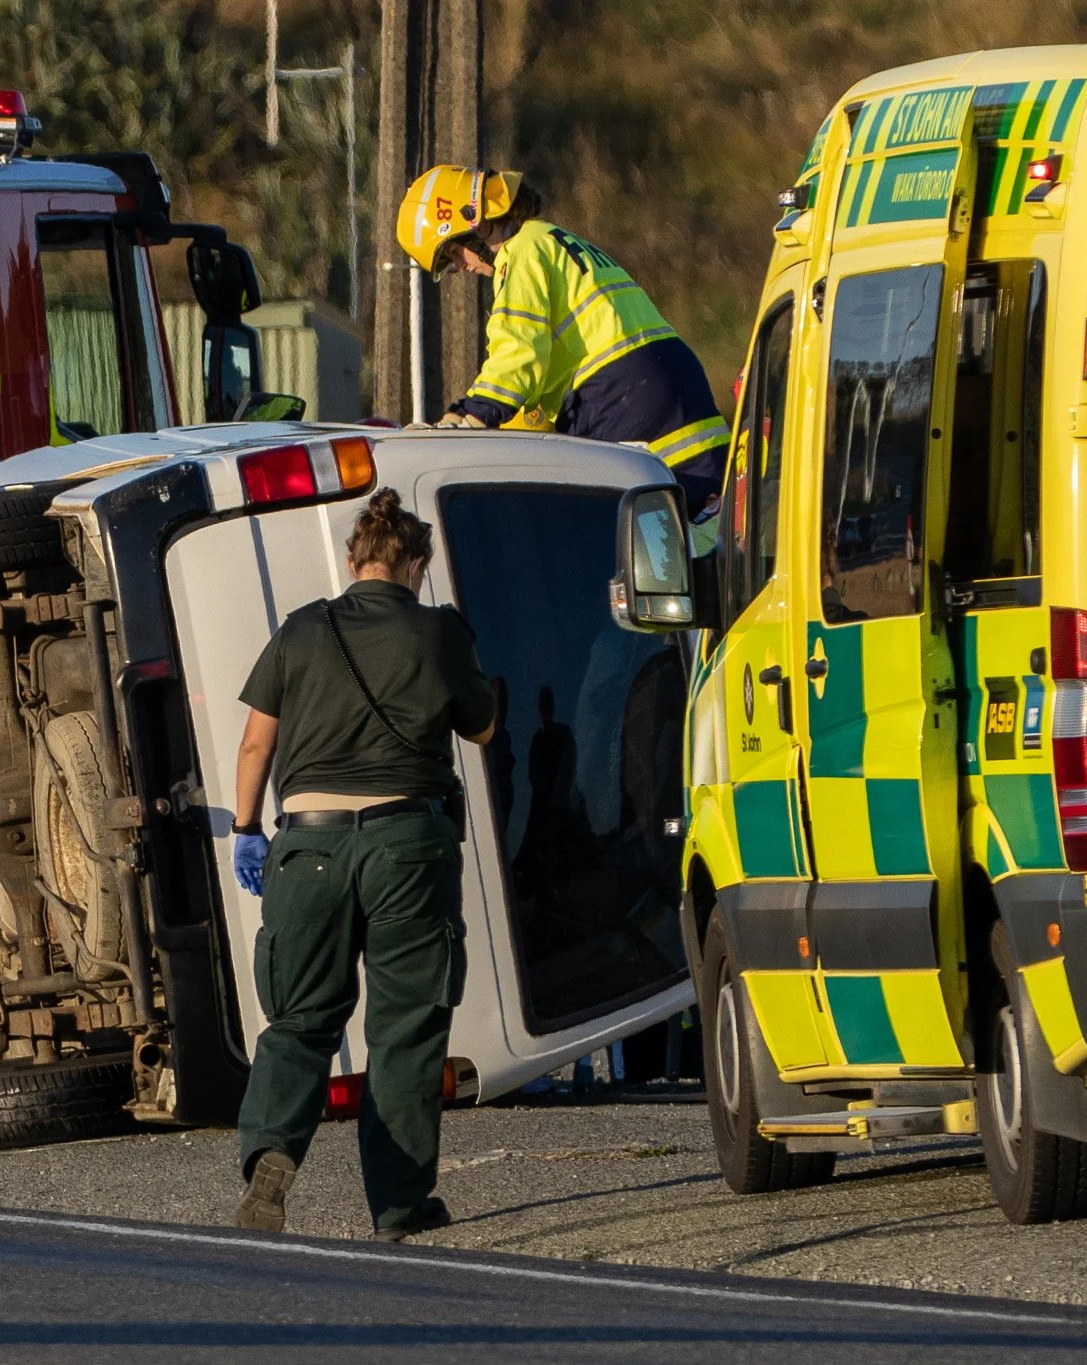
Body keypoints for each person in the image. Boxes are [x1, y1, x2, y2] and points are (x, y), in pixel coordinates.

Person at [228, 487, 497, 1242]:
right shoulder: (439, 631)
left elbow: (256, 744)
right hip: (407, 841)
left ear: (353, 561)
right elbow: (482, 725)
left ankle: (272, 1158)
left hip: (308, 843)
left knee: (300, 1019)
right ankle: (399, 1205)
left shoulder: (303, 629)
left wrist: (248, 828)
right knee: (407, 1027)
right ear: (415, 564)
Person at [395, 164, 729, 516]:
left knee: (632, 541)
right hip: (673, 386)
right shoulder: (555, 240)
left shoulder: (521, 254)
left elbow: (519, 353)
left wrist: (467, 420)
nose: (460, 267)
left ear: (475, 223)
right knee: (707, 529)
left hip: (619, 398)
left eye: (452, 254)